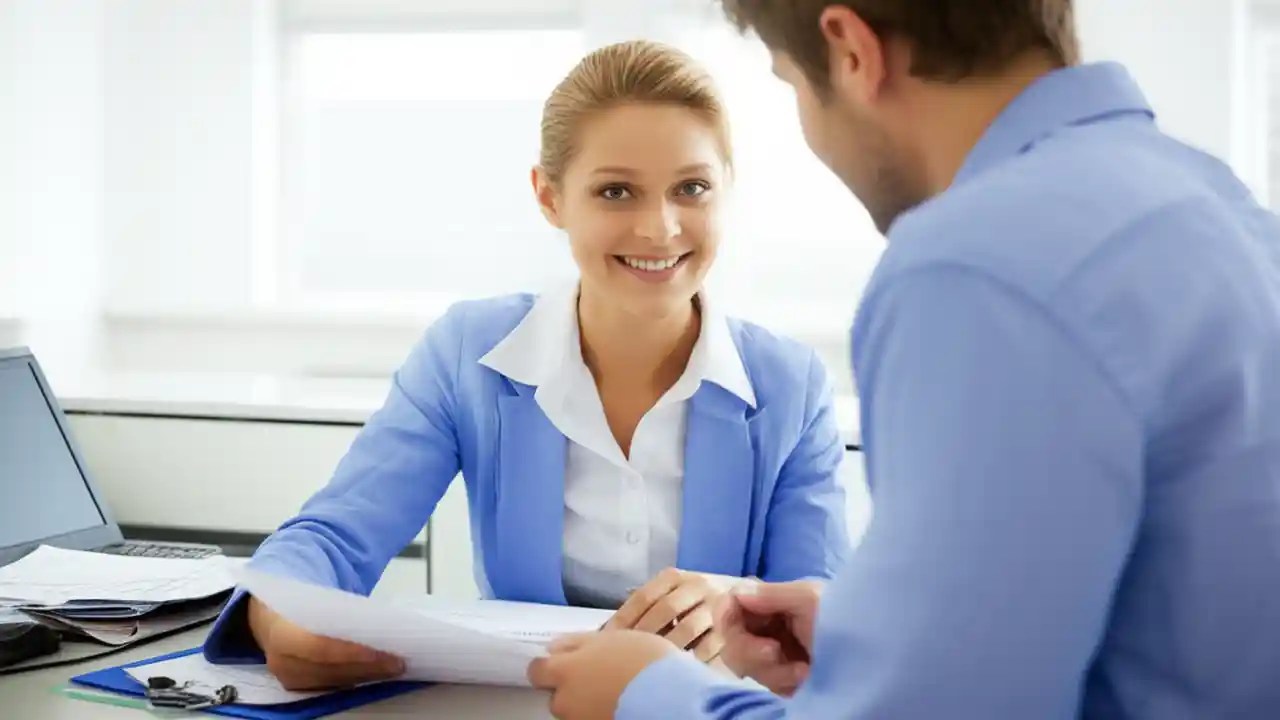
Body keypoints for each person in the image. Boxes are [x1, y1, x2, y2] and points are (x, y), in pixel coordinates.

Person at [529, 2, 1280, 718]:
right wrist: (881, 645)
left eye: (792, 83)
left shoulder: (978, 264)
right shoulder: (1221, 209)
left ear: (852, 51)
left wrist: (647, 695)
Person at [201, 39, 850, 691]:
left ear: (726, 191)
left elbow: (828, 603)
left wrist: (738, 602)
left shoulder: (790, 385)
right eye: (616, 191)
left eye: (692, 188)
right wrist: (275, 615)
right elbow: (337, 533)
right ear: (550, 198)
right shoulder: (468, 354)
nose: (660, 228)